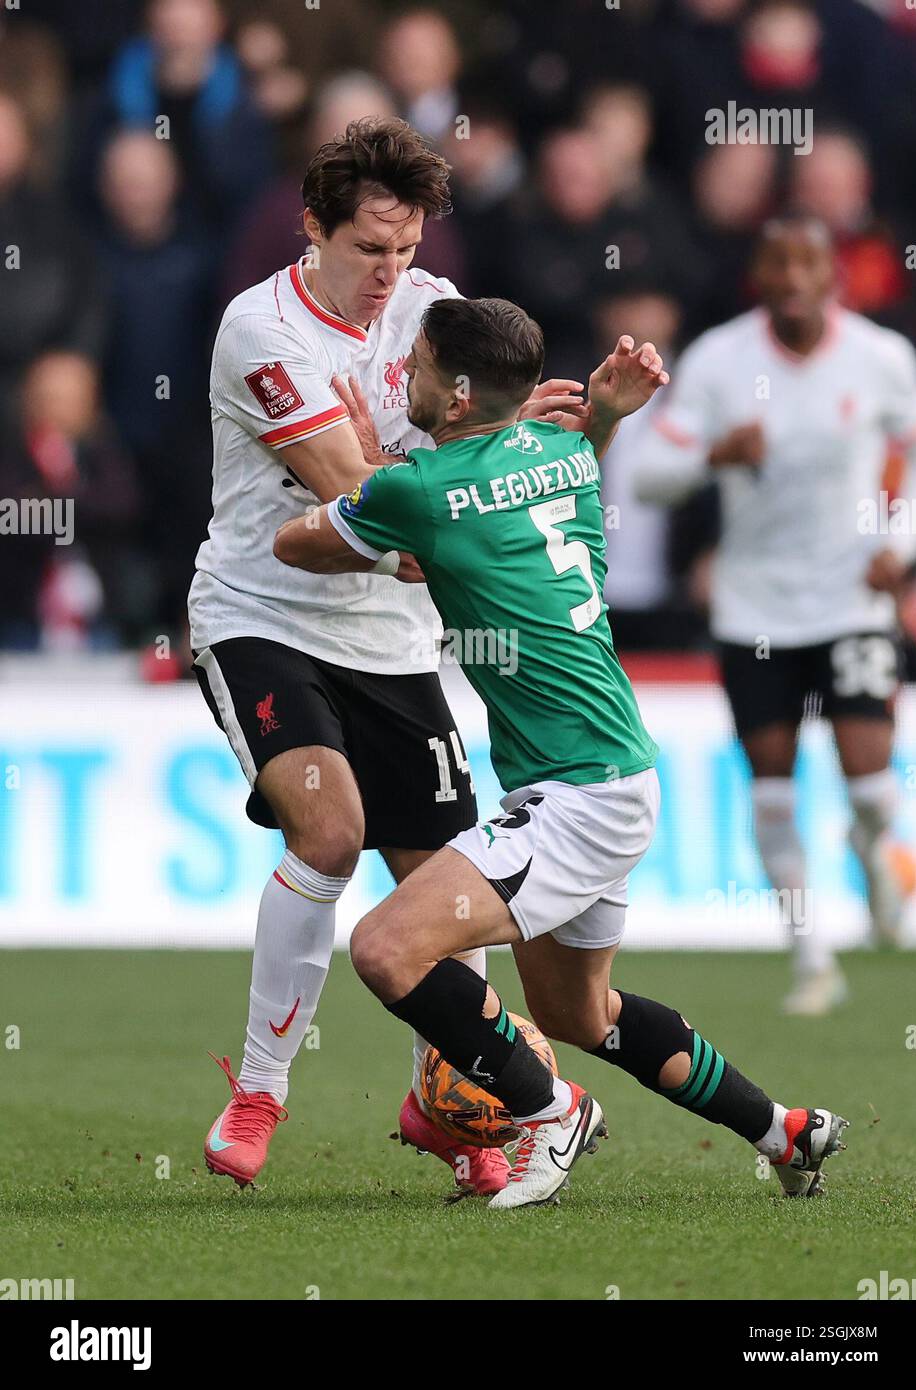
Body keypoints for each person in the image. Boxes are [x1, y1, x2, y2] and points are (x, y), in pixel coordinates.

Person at [274, 295, 848, 1210]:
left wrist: (364, 476)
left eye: (416, 364)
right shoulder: (570, 454)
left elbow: (294, 544)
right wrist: (608, 417)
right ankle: (783, 1129)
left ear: (457, 397)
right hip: (618, 773)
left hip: (576, 795)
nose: (404, 378)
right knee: (577, 1013)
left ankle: (548, 1113)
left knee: (385, 949)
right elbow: (527, 484)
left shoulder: (418, 489)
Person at [190, 117, 582, 1197]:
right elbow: (355, 500)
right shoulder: (259, 332)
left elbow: (466, 479)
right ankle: (261, 1088)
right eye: (370, 249)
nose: (390, 274)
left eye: (405, 250)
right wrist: (460, 468)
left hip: (393, 644)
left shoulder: (431, 312)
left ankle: (445, 1102)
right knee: (330, 827)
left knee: (441, 897)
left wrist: (503, 445)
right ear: (312, 227)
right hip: (265, 611)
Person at [634, 215, 916, 1015]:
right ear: (757, 277)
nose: (793, 277)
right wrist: (712, 455)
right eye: (777, 263)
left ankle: (873, 858)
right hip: (754, 607)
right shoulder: (721, 361)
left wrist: (900, 546)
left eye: (808, 263)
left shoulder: (881, 358)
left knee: (871, 789)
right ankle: (812, 956)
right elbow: (648, 476)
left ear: (834, 274)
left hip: (853, 599)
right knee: (772, 792)